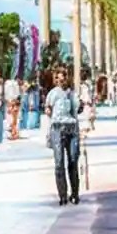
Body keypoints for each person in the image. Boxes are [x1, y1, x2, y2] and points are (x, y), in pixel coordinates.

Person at [45, 68, 82, 205]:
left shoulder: (73, 94)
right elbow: (48, 110)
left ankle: (75, 193)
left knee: (73, 160)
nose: (61, 81)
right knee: (59, 162)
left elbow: (78, 109)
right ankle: (62, 195)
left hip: (72, 128)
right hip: (57, 128)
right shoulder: (52, 94)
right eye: (58, 79)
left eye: (63, 78)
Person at [5, 76, 22, 141]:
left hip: (13, 103)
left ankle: (14, 133)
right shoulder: (12, 84)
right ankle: (13, 133)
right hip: (12, 103)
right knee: (13, 119)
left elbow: (17, 96)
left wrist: (12, 103)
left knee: (14, 120)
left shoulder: (11, 84)